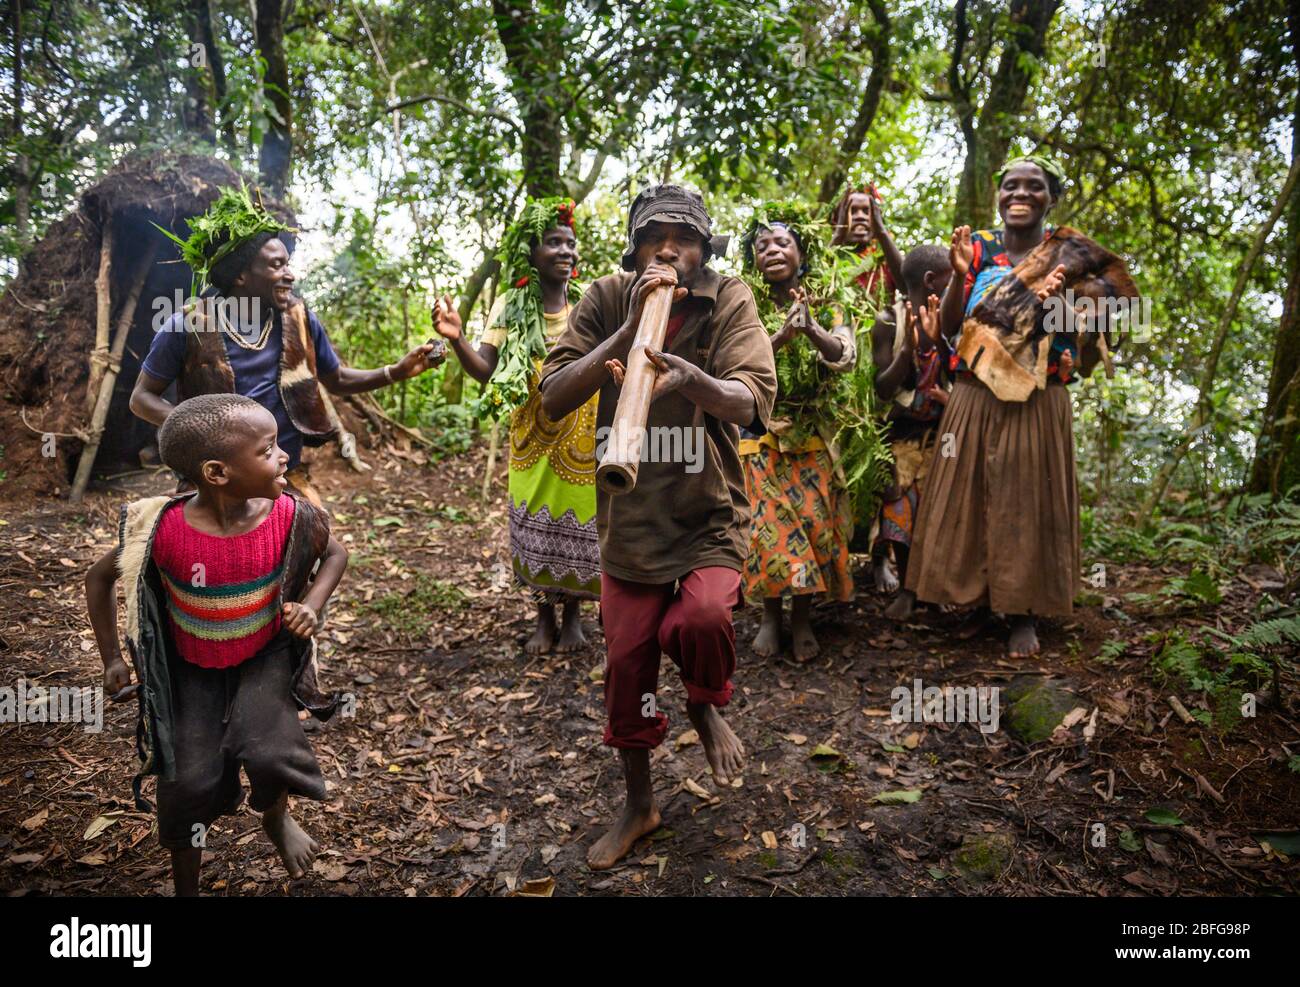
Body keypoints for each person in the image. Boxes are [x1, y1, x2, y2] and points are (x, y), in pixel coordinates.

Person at [538, 184, 776, 870]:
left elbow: (750, 401)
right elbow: (554, 396)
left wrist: (693, 378)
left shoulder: (729, 298)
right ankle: (639, 803)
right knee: (629, 661)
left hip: (707, 505)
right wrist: (626, 330)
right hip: (630, 510)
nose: (669, 248)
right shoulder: (607, 295)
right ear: (635, 245)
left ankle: (704, 704)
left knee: (699, 620)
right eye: (654, 236)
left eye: (685, 237)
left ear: (704, 249)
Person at [85, 394, 349, 896]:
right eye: (269, 450)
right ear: (217, 472)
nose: (284, 457)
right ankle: (187, 884)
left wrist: (312, 604)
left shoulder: (290, 516)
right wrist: (112, 659)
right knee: (186, 784)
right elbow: (98, 580)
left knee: (272, 753)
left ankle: (274, 818)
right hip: (189, 670)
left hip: (264, 658)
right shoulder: (161, 529)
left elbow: (335, 555)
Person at [906, 155, 1136, 656]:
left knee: (1026, 498)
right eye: (1011, 185)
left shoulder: (1072, 256)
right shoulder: (979, 247)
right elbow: (948, 331)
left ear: (1052, 197)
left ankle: (1022, 613)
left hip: (1038, 393)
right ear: (999, 195)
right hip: (972, 390)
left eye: (1034, 187)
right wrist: (958, 277)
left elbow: (1101, 321)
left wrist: (1054, 305)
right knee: (967, 492)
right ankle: (973, 598)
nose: (1020, 194)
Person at [130, 184, 443, 506]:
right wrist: (206, 431)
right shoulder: (188, 325)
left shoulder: (300, 319)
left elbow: (336, 380)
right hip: (215, 486)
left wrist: (396, 371)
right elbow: (141, 399)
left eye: (288, 263)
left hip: (284, 477)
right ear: (240, 276)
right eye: (276, 265)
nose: (289, 275)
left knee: (318, 549)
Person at [432, 197, 598, 654]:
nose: (565, 251)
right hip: (533, 437)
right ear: (532, 252)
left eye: (570, 243)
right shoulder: (510, 306)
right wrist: (457, 338)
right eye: (553, 243)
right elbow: (487, 369)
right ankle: (544, 616)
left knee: (582, 522)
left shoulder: (588, 303)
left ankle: (574, 618)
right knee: (534, 525)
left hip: (583, 436)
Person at [738, 204, 859, 661]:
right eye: (762, 244)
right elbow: (736, 365)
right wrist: (781, 339)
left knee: (811, 525)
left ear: (801, 253)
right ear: (753, 259)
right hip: (761, 433)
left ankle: (803, 619)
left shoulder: (829, 299)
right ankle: (771, 617)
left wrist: (811, 330)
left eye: (782, 242)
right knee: (767, 527)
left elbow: (846, 354)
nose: (772, 250)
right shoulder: (743, 304)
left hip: (811, 436)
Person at [870, 244, 953, 621]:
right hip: (900, 433)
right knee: (899, 509)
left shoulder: (954, 319)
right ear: (931, 281)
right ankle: (906, 588)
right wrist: (909, 349)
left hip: (945, 433)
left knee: (940, 510)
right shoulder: (888, 320)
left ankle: (932, 589)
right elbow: (884, 388)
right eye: (953, 280)